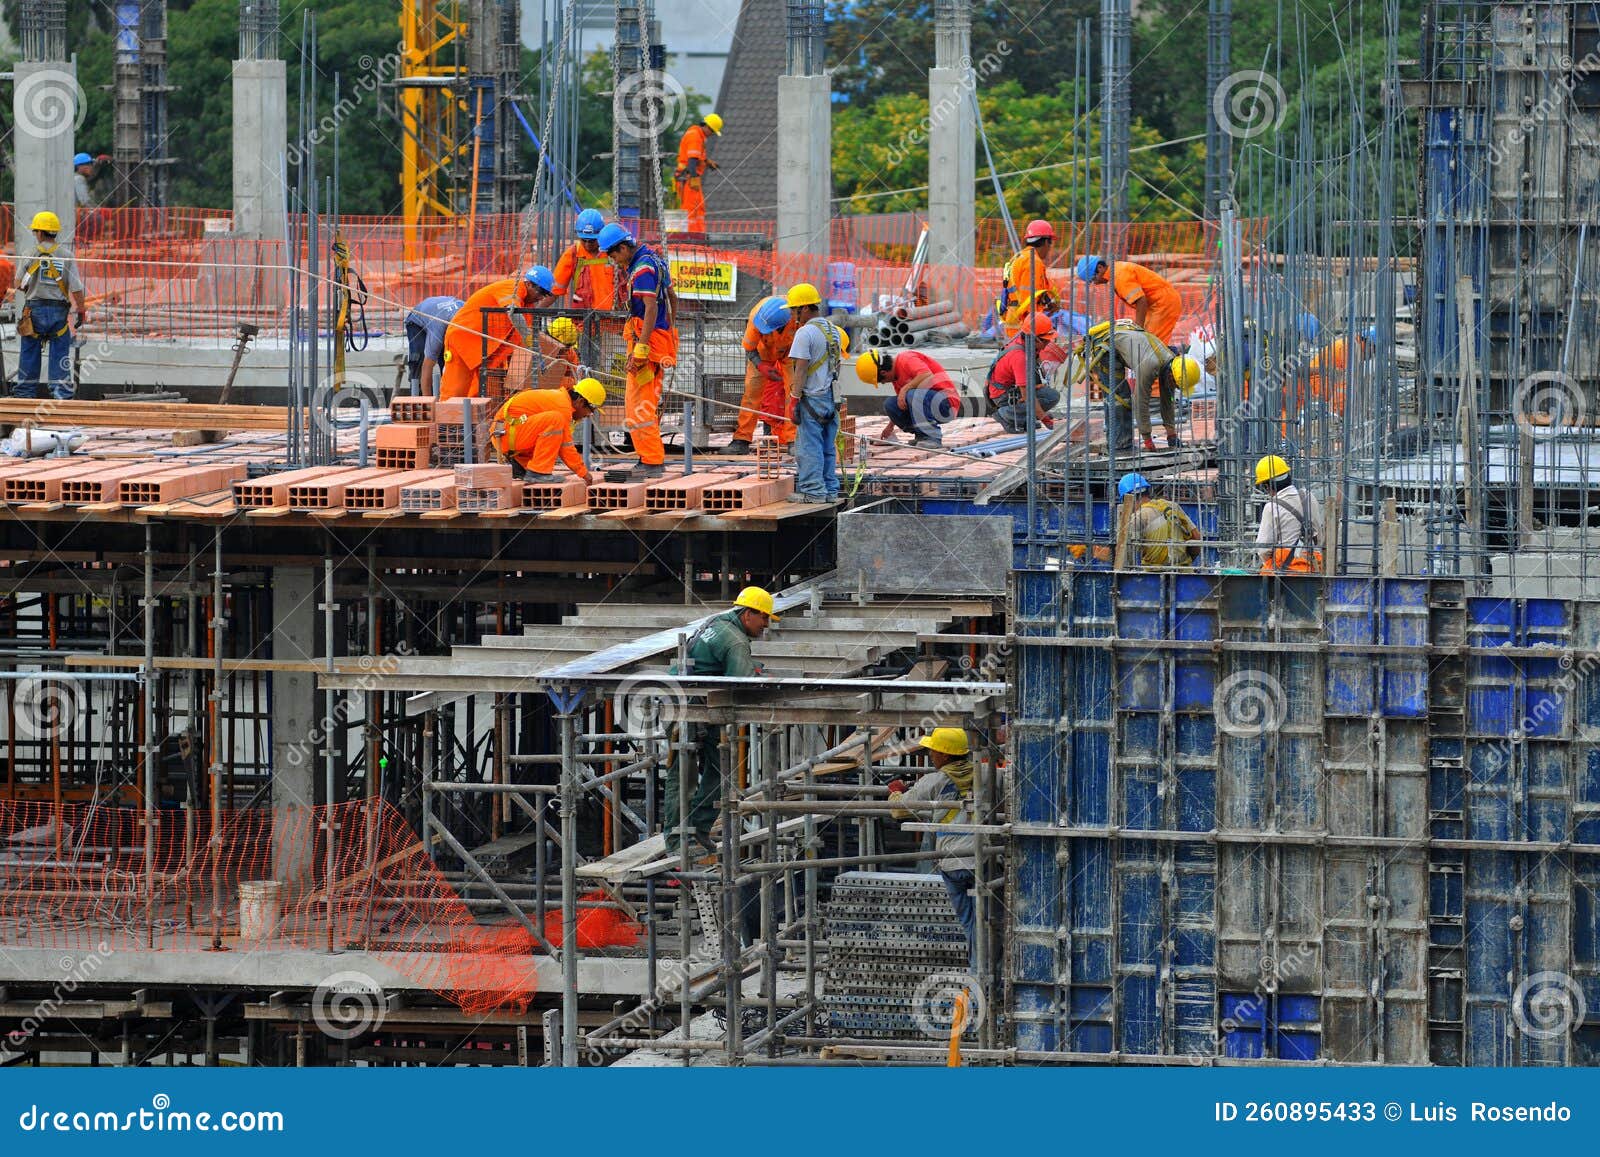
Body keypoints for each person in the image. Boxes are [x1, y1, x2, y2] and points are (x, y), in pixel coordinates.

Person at [664, 585, 775, 856]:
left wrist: (751, 666)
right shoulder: (736, 641)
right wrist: (759, 678)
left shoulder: (718, 621)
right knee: (687, 776)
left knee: (709, 773)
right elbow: (741, 684)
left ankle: (693, 832)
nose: (766, 625)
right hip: (693, 709)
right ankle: (679, 842)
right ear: (748, 614)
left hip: (689, 702)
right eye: (764, 618)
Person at [888, 727, 978, 967]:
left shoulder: (936, 780)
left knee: (969, 921)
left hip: (952, 862)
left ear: (946, 755)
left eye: (934, 751)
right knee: (987, 921)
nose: (930, 755)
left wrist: (896, 792)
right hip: (984, 860)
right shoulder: (988, 774)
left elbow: (899, 810)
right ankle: (986, 971)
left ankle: (978, 970)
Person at [599, 223, 679, 478]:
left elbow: (651, 308)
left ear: (623, 247)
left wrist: (642, 348)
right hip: (657, 340)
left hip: (648, 345)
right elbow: (672, 298)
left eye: (613, 255)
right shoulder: (654, 259)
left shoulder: (642, 268)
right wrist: (670, 331)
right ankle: (650, 458)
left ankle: (652, 461)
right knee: (645, 403)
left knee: (638, 406)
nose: (614, 261)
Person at [438, 266, 557, 399]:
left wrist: (535, 348)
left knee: (479, 392)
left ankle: (471, 418)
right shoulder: (512, 287)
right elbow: (513, 313)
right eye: (540, 292)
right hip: (464, 340)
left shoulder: (526, 305)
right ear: (529, 284)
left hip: (484, 348)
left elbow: (520, 331)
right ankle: (448, 418)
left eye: (545, 295)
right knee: (456, 392)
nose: (541, 298)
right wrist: (528, 338)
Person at [1082, 321, 1200, 452]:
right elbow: (1141, 403)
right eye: (1177, 385)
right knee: (1120, 398)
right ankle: (1120, 447)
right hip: (1105, 347)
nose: (1176, 388)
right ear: (1172, 377)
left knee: (1122, 396)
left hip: (1119, 341)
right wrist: (1147, 439)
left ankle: (1120, 444)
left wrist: (1171, 435)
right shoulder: (1150, 365)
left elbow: (1168, 401)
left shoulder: (1172, 363)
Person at [11, 211, 87, 402]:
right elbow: (76, 288)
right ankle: (61, 395)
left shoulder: (29, 254)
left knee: (29, 352)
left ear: (39, 232)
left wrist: (34, 284)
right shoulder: (66, 256)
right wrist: (81, 309)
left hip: (33, 312)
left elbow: (18, 284)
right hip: (58, 312)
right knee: (60, 353)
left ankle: (25, 395)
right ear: (54, 233)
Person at [784, 282, 848, 503]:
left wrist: (794, 399)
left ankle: (813, 492)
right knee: (827, 446)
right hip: (831, 397)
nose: (793, 315)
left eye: (794, 310)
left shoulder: (805, 333)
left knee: (809, 447)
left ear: (803, 308)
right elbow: (837, 365)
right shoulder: (833, 331)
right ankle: (830, 490)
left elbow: (801, 368)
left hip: (812, 398)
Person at [490, 377, 604, 483]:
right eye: (591, 410)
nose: (589, 415)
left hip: (506, 435)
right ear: (581, 402)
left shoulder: (560, 400)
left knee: (550, 428)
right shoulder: (562, 407)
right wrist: (584, 474)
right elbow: (566, 447)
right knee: (555, 419)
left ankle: (521, 466)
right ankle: (538, 472)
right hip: (508, 435)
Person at [727, 294, 797, 453]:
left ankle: (793, 439)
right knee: (752, 392)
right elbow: (749, 348)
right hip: (762, 352)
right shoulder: (756, 318)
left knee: (793, 393)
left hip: (791, 353)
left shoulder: (796, 318)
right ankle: (741, 439)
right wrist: (760, 365)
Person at [856, 348, 960, 448]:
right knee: (891, 404)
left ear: (883, 373)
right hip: (930, 404)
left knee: (912, 394)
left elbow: (927, 375)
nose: (883, 383)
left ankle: (932, 437)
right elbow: (903, 404)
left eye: (881, 381)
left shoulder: (906, 359)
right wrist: (890, 428)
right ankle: (922, 436)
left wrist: (905, 389)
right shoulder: (896, 378)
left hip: (947, 404)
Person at [1075, 255, 1184, 345]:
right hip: (1157, 304)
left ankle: (1178, 365)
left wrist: (1138, 331)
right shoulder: (1115, 271)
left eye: (1094, 278)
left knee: (1151, 345)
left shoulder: (1118, 276)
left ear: (1100, 267)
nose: (1096, 283)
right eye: (1092, 281)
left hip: (1164, 303)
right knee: (1150, 344)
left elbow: (1141, 301)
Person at [987, 312, 1066, 433]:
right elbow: (1028, 397)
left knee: (1049, 394)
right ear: (1035, 338)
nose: (1047, 345)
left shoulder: (1024, 341)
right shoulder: (1019, 357)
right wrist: (1045, 420)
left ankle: (1023, 416)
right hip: (1001, 395)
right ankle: (1006, 415)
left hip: (1011, 388)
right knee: (1048, 398)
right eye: (1045, 341)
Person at [1254, 454, 1324, 573]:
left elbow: (1263, 549)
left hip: (1285, 573)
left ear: (1267, 486)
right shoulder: (1309, 497)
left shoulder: (1271, 507)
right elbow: (1319, 536)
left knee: (1263, 574)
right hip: (1313, 568)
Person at [1117, 472, 1201, 568]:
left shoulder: (1137, 518)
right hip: (1184, 572)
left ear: (1126, 499)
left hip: (1153, 576)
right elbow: (1196, 537)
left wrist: (1097, 553)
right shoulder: (1172, 506)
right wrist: (1188, 560)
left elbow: (1122, 557)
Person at [997, 220, 1058, 338]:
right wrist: (1035, 326)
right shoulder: (1033, 262)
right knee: (1026, 356)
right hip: (1025, 324)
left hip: (1015, 319)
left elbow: (1033, 291)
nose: (1049, 248)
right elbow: (1028, 299)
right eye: (1050, 243)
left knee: (1018, 355)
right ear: (1046, 241)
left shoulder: (1019, 257)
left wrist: (1048, 302)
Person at [551, 210, 617, 311]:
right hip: (584, 321)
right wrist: (534, 315)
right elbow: (555, 290)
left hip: (615, 320)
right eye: (584, 240)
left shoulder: (614, 251)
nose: (587, 245)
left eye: (592, 241)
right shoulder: (573, 254)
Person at [403, 294, 464, 394]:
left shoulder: (466, 312)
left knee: (447, 360)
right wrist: (429, 404)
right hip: (417, 323)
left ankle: (446, 395)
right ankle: (418, 396)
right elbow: (427, 365)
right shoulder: (438, 329)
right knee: (420, 359)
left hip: (438, 313)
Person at [673, 113, 723, 233]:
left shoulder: (697, 134)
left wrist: (707, 162)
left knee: (698, 208)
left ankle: (698, 233)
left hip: (687, 178)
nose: (711, 135)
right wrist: (694, 177)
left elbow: (696, 157)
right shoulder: (695, 137)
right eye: (712, 132)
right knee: (691, 209)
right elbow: (691, 161)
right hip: (688, 178)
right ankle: (690, 237)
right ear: (708, 127)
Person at [72, 153, 109, 242]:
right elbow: (85, 201)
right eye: (88, 164)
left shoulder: (74, 177)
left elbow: (93, 177)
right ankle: (80, 241)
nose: (91, 167)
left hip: (74, 214)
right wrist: (98, 209)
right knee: (98, 220)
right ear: (79, 167)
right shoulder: (79, 179)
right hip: (74, 215)